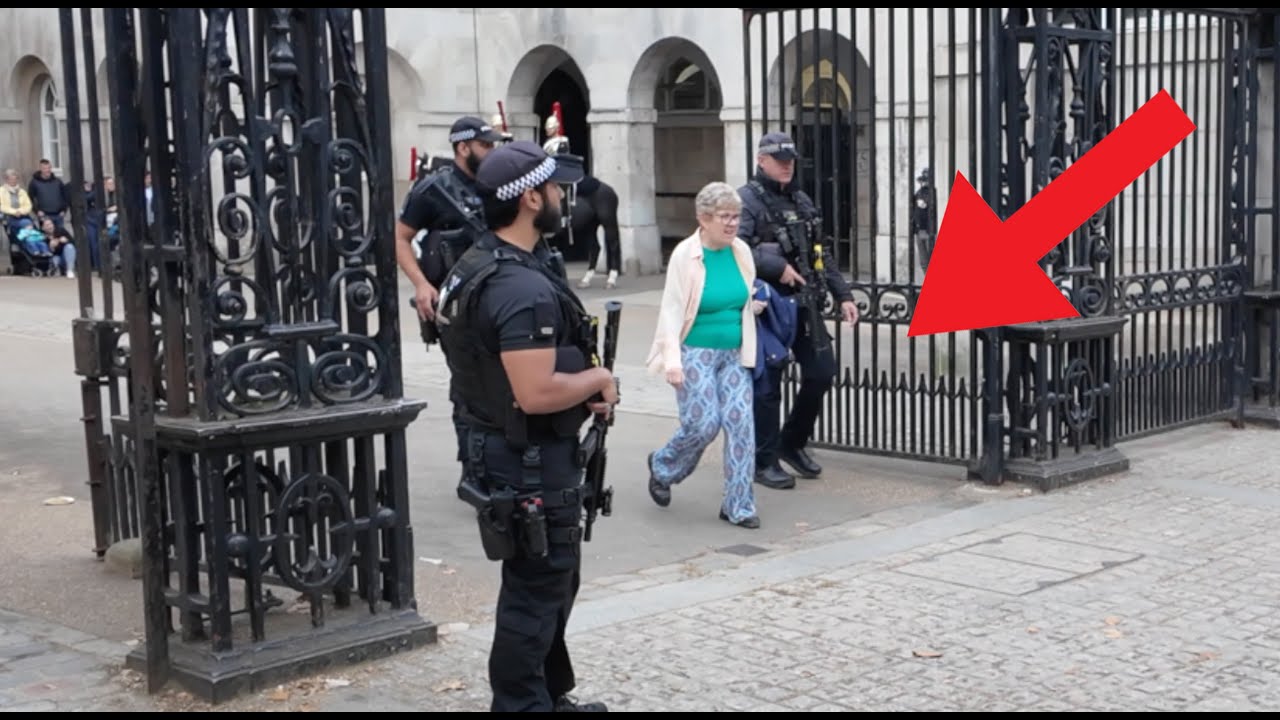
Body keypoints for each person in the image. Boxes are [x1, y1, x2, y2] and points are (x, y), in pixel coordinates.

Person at [435, 139, 615, 713]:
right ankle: (520, 705)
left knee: (551, 583)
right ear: (531, 198)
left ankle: (545, 695)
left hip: (510, 450)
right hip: (529, 458)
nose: (565, 195)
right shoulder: (520, 287)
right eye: (557, 187)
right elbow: (535, 393)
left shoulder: (482, 260)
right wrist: (597, 380)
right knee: (536, 593)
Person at [737, 131, 860, 488]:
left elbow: (823, 252)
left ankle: (792, 443)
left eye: (790, 160)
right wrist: (776, 268)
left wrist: (844, 295)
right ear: (761, 161)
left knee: (822, 371)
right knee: (768, 387)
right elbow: (737, 248)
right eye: (779, 160)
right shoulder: (746, 201)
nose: (787, 166)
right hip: (769, 306)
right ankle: (764, 460)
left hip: (805, 303)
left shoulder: (802, 200)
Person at [644, 181, 763, 529]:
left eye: (736, 217)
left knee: (742, 425)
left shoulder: (741, 250)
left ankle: (738, 505)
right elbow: (672, 308)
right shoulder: (686, 254)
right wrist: (672, 362)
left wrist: (751, 308)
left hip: (734, 353)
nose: (732, 224)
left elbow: (742, 293)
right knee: (704, 423)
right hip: (694, 351)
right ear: (704, 218)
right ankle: (663, 466)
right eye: (724, 217)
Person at [394, 115, 503, 471]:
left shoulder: (499, 184)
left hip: (499, 298)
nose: (492, 151)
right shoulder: (433, 189)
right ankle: (474, 468)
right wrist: (422, 284)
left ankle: (499, 461)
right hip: (454, 306)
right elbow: (400, 238)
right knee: (470, 388)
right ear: (463, 147)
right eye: (486, 145)